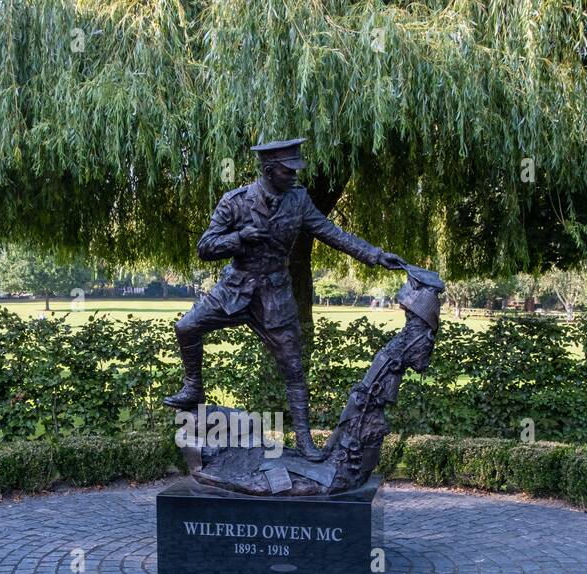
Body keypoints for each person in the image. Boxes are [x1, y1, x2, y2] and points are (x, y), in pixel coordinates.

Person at [162, 138, 406, 460]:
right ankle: (194, 387)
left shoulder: (299, 201)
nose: (294, 176)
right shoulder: (235, 202)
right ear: (268, 170)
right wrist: (238, 238)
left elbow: (332, 234)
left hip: (275, 294)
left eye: (295, 170)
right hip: (235, 288)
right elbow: (205, 247)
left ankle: (304, 442)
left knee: (293, 369)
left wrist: (375, 256)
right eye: (287, 170)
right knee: (186, 327)